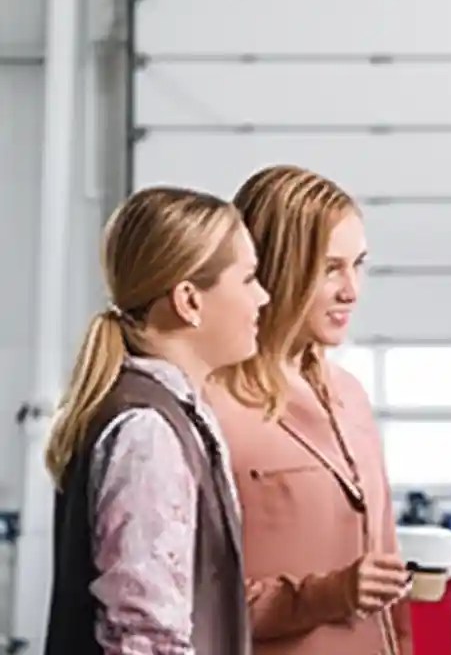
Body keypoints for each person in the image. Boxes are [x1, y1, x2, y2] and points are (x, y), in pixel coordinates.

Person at [43, 186, 268, 655]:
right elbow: (144, 638)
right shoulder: (149, 433)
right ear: (189, 300)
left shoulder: (177, 417)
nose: (263, 298)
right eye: (248, 279)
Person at [205, 165, 413, 655]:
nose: (352, 290)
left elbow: (389, 575)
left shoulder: (351, 397)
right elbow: (192, 602)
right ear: (273, 269)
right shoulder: (212, 406)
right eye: (330, 268)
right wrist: (328, 594)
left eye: (358, 264)